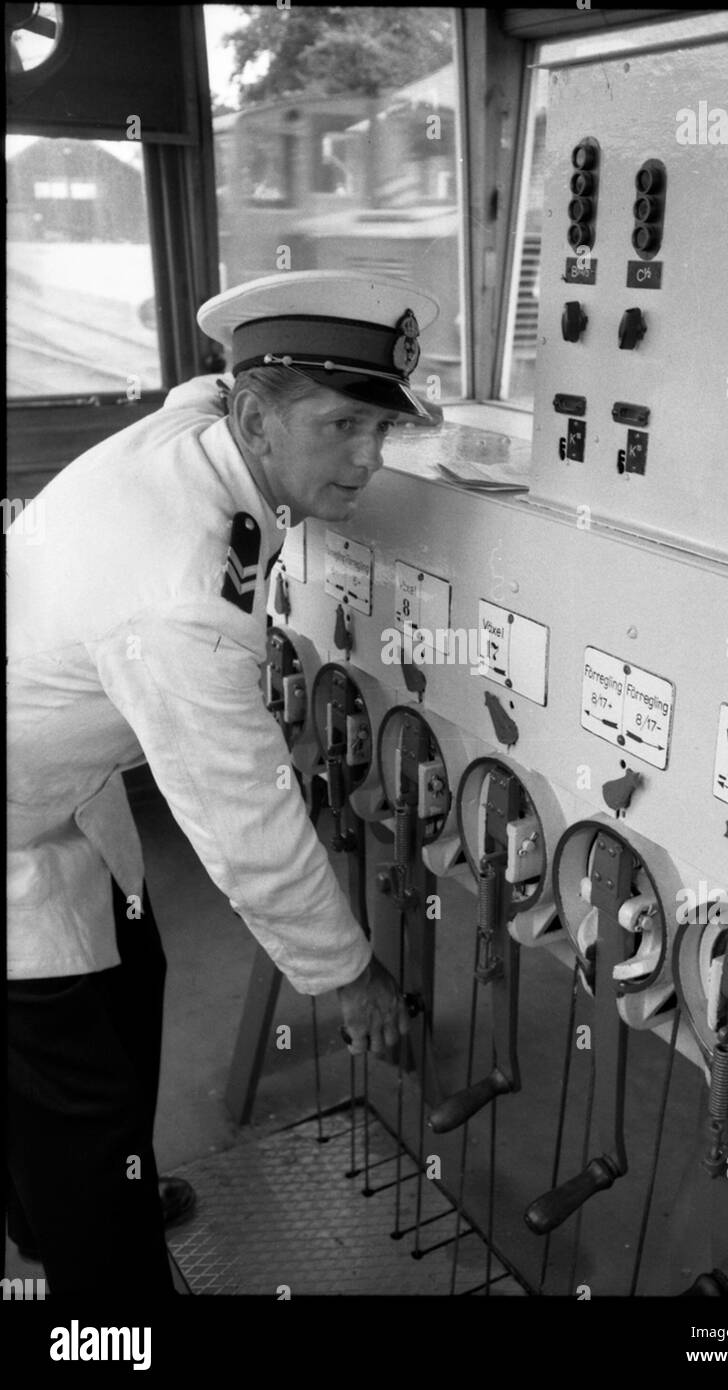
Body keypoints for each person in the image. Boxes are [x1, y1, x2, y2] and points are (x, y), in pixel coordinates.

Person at [5, 270, 440, 1295]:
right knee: (73, 1077)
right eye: (342, 426)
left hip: (59, 785)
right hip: (17, 830)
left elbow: (189, 395)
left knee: (133, 979)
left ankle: (71, 1197)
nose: (370, 458)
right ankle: (105, 1288)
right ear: (256, 413)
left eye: (381, 427)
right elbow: (243, 819)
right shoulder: (180, 594)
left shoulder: (203, 424)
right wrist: (349, 975)